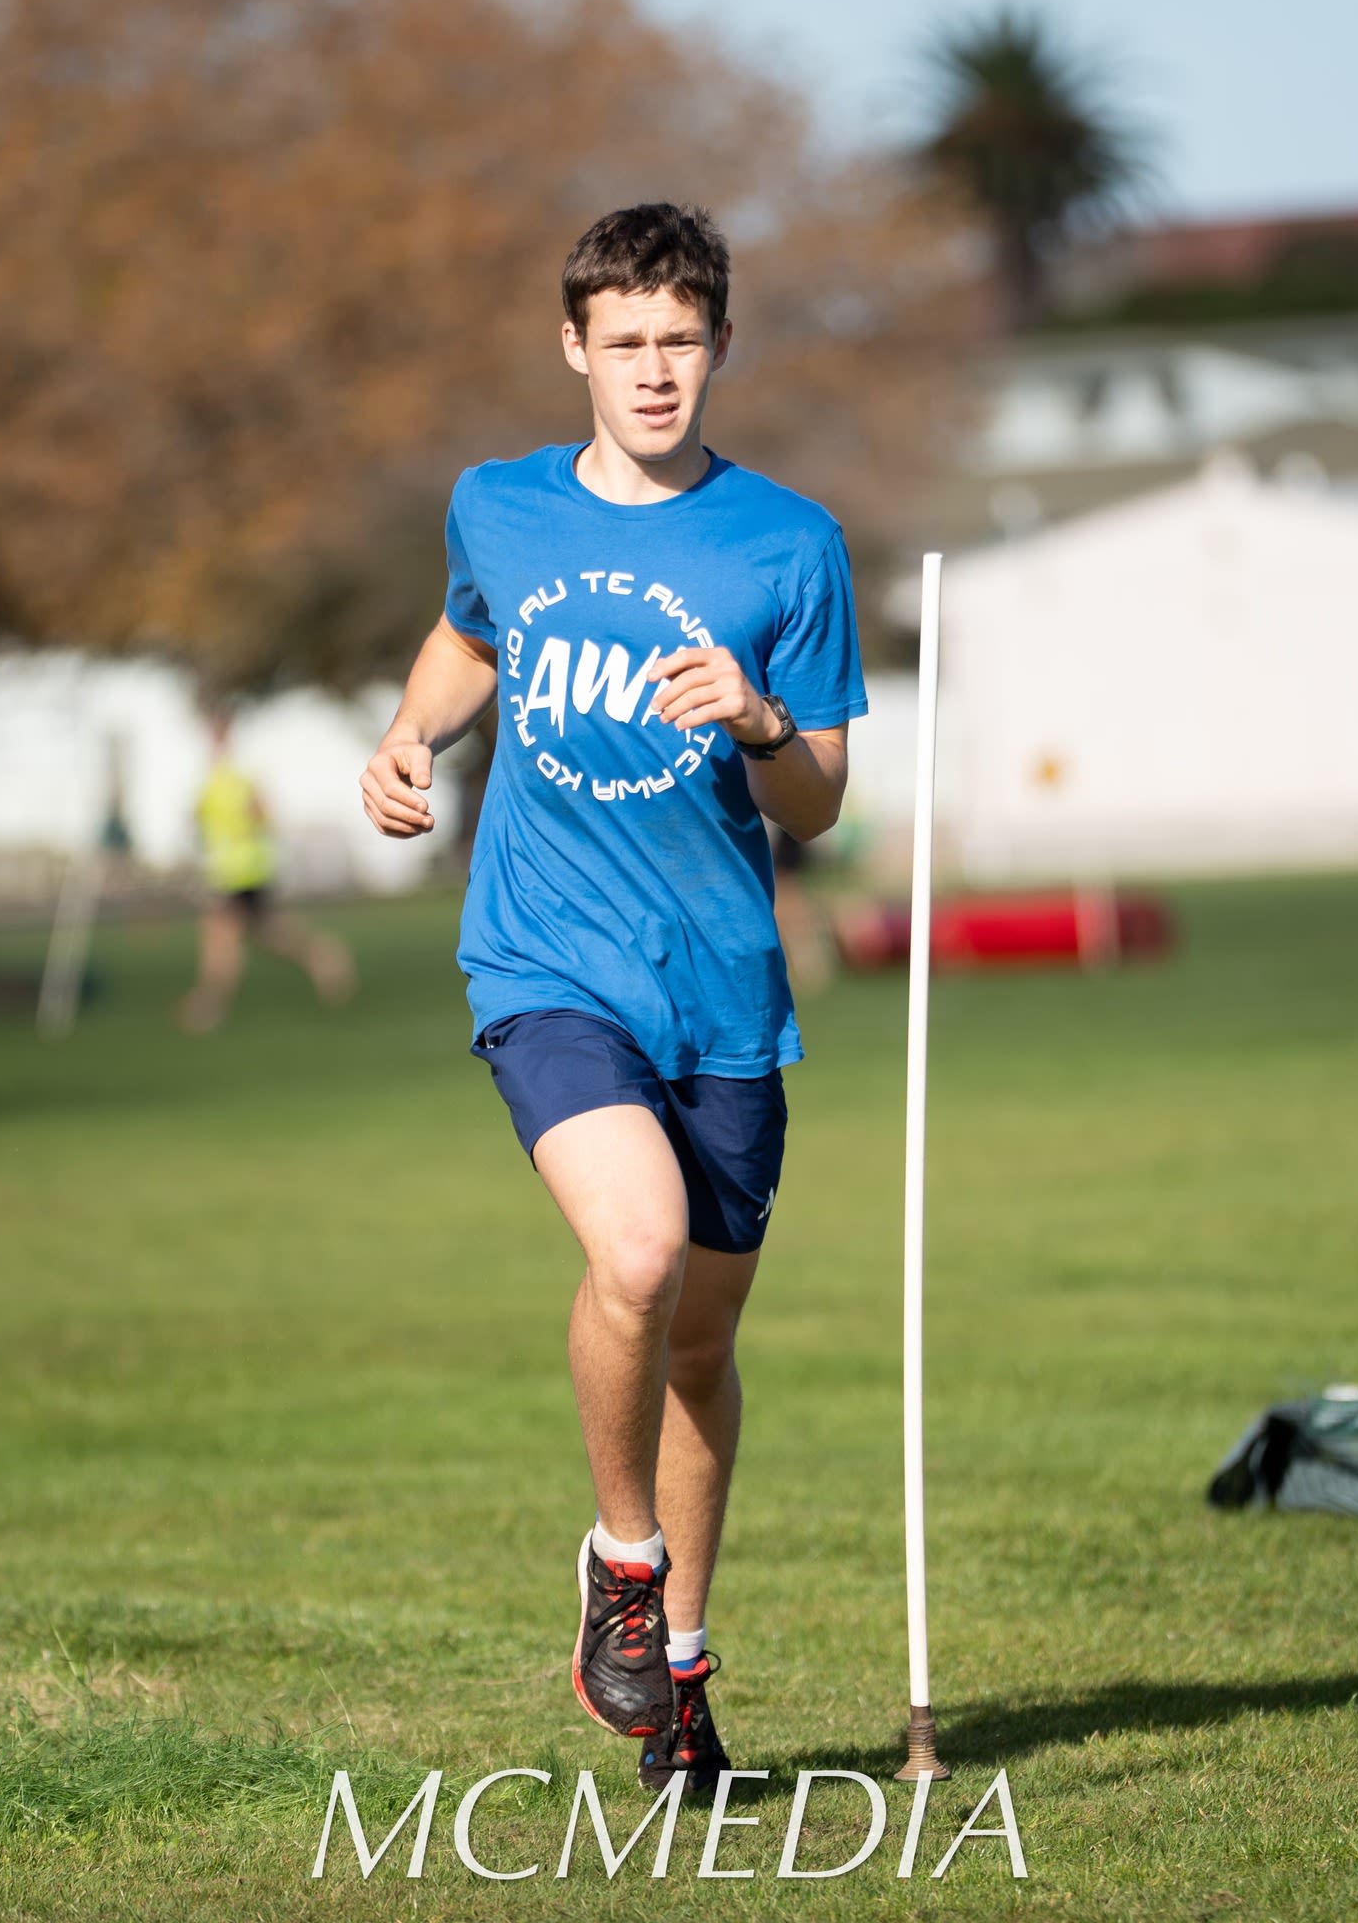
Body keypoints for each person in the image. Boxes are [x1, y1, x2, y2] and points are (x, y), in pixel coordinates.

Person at [359, 203, 866, 1796]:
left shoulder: (788, 543)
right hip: (545, 960)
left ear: (719, 347)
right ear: (573, 346)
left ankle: (679, 1682)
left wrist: (760, 720)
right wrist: (408, 737)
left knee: (698, 1349)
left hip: (720, 993)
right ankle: (622, 1563)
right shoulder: (496, 504)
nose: (654, 370)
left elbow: (817, 804)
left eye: (680, 341)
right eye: (625, 341)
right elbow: (468, 637)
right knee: (634, 1253)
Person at [176, 712, 355, 1034]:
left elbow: (264, 814)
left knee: (220, 935)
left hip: (245, 872)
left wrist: (249, 823)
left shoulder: (240, 778)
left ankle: (209, 1004)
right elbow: (199, 820)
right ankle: (322, 956)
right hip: (227, 873)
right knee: (264, 933)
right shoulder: (210, 780)